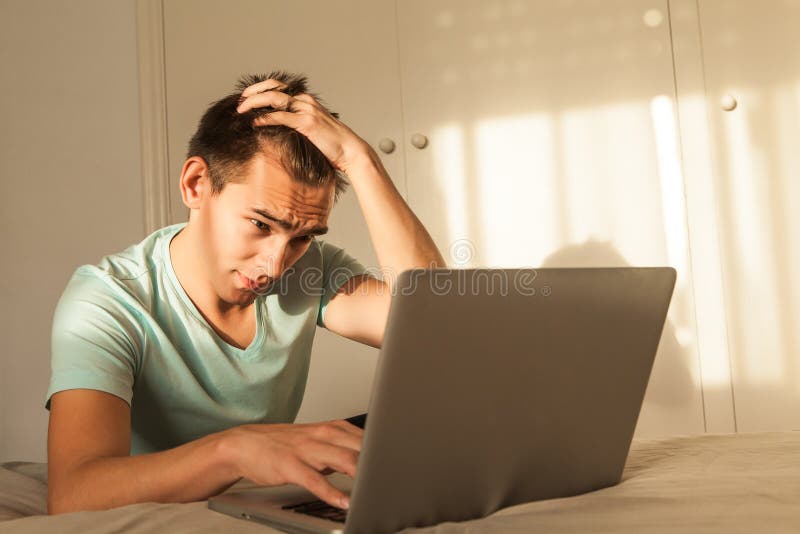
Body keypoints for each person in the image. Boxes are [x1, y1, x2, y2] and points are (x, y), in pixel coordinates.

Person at [45, 70, 446, 514]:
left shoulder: (309, 270)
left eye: (302, 237)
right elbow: (74, 494)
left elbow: (433, 328)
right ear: (196, 185)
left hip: (254, 507)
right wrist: (233, 450)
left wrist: (360, 160)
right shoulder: (107, 302)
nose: (275, 266)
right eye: (260, 224)